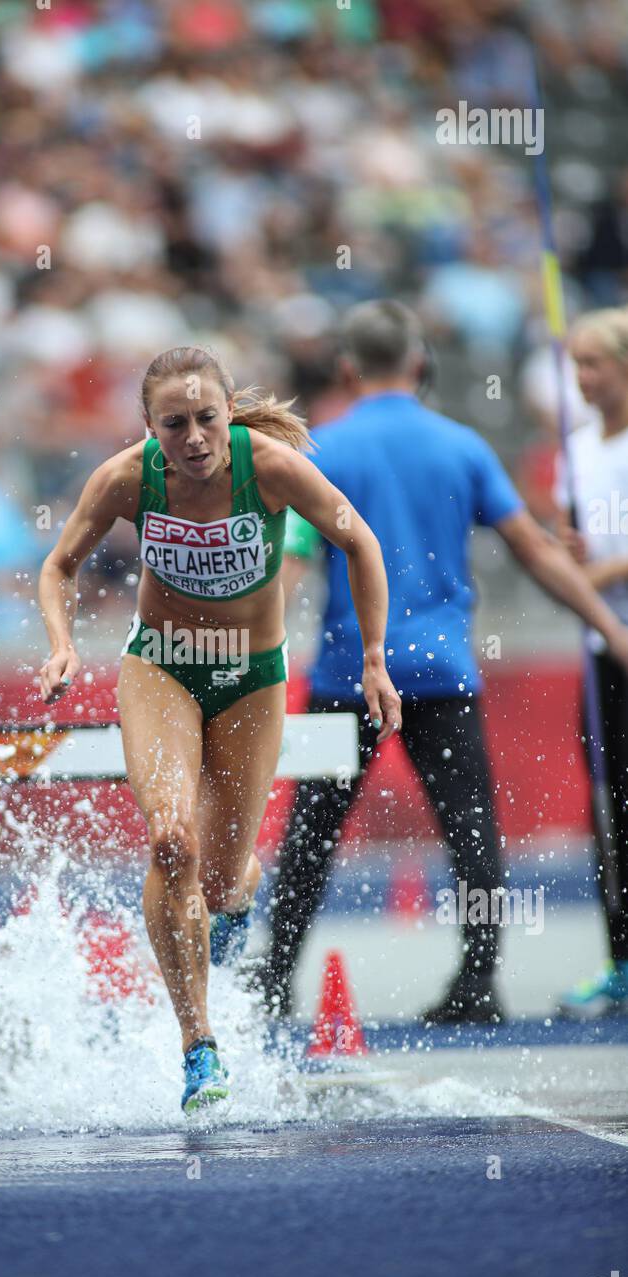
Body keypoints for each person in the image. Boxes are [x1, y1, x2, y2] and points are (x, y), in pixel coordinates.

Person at [37, 344, 401, 1114]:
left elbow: (360, 543)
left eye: (207, 419)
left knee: (225, 880)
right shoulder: (126, 479)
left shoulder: (269, 468)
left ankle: (229, 904)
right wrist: (63, 644)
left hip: (252, 678)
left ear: (228, 414)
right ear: (149, 427)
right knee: (171, 840)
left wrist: (374, 657)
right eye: (175, 424)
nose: (195, 438)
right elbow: (59, 565)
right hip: (161, 666)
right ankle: (198, 1045)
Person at [257, 300, 628, 1026]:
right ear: (421, 367)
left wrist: (255, 651)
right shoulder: (462, 447)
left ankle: (274, 979)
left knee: (311, 832)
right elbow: (536, 551)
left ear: (346, 368)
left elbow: (291, 565)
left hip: (348, 673)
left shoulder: (320, 450)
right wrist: (607, 626)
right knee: (470, 829)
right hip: (441, 670)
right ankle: (478, 981)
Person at [554, 307, 628, 1017]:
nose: (580, 377)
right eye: (574, 364)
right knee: (609, 806)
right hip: (605, 654)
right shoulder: (577, 448)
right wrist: (568, 552)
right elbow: (563, 539)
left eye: (594, 364)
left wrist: (589, 578)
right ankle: (621, 959)